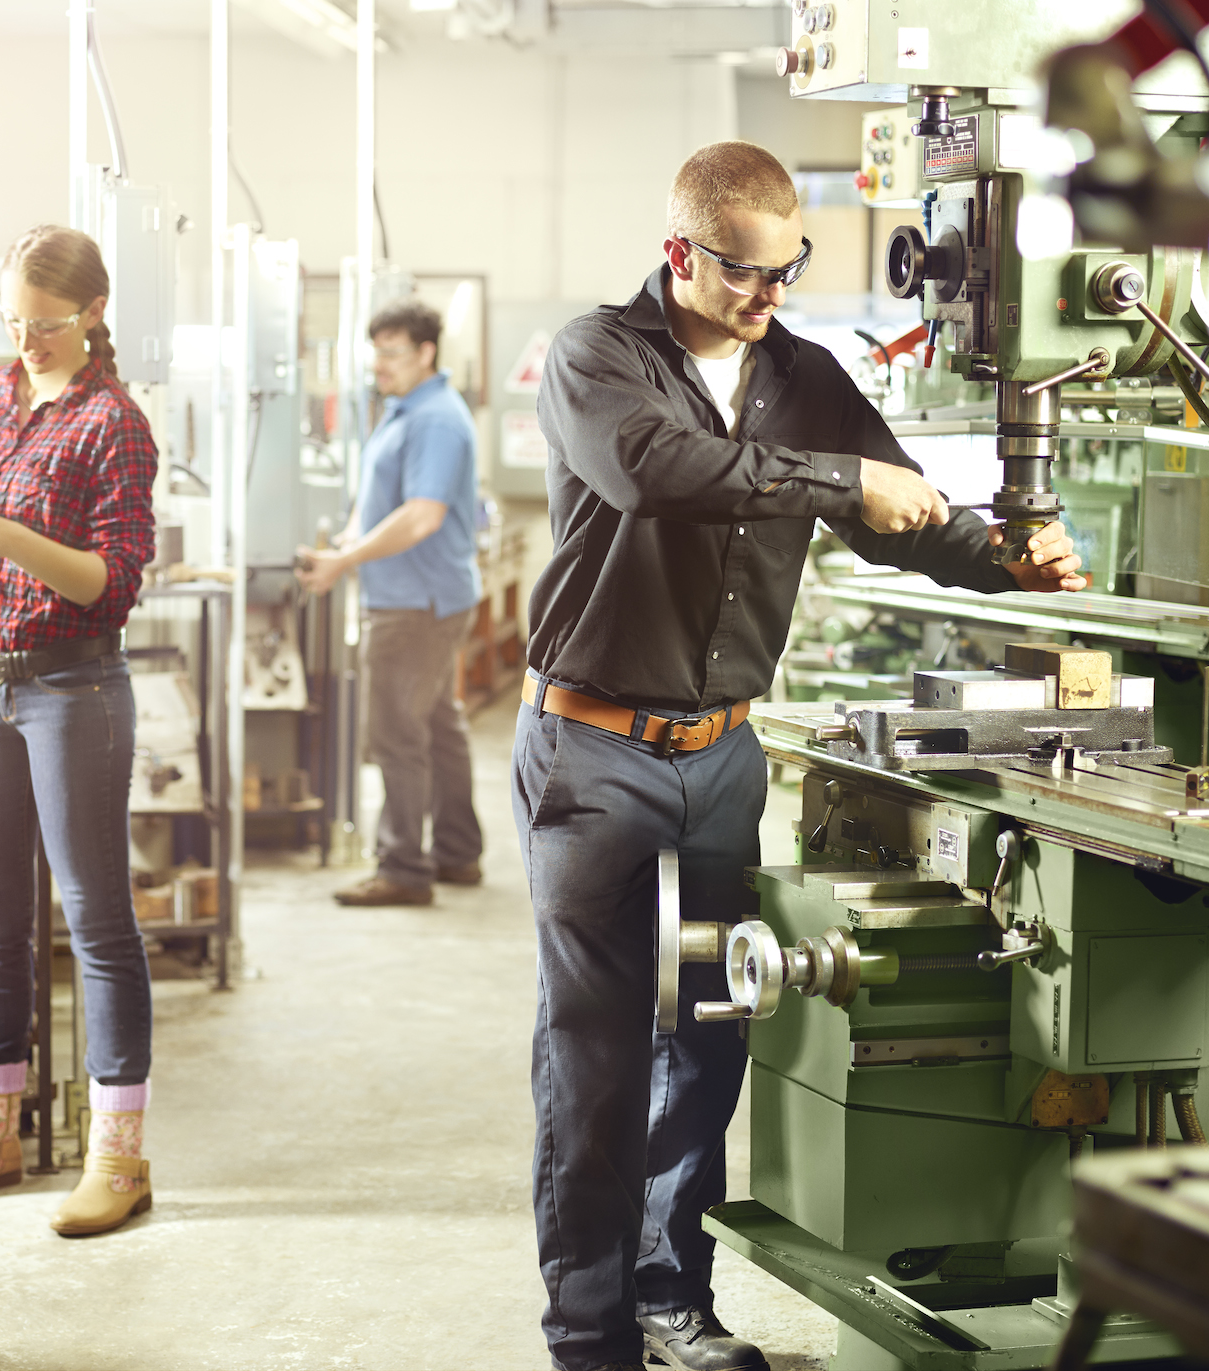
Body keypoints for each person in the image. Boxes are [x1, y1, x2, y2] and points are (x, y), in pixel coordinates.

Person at [515, 142, 1091, 1371]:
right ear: (682, 252)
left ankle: (675, 1303)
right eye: (745, 273)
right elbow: (656, 473)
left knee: (708, 1037)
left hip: (723, 758)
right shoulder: (598, 357)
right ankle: (590, 1331)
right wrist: (844, 480)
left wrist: (1006, 554)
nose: (771, 295)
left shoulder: (804, 375)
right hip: (594, 752)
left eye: (789, 270)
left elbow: (905, 517)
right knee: (600, 1052)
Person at [0, 224, 158, 1237]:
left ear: (92, 313)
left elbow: (113, 585)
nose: (27, 340)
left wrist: (7, 538)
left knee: (96, 921)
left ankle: (118, 1159)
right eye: (12, 322)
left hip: (71, 692)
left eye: (45, 324)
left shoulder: (113, 424)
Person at [298, 298, 485, 907]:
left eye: (392, 352)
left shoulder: (435, 419)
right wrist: (348, 545)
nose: (379, 364)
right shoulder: (405, 409)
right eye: (375, 351)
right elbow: (380, 499)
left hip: (415, 603)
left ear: (425, 352)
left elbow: (422, 515)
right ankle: (458, 853)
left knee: (396, 734)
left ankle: (404, 868)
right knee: (437, 724)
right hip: (422, 594)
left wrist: (346, 562)